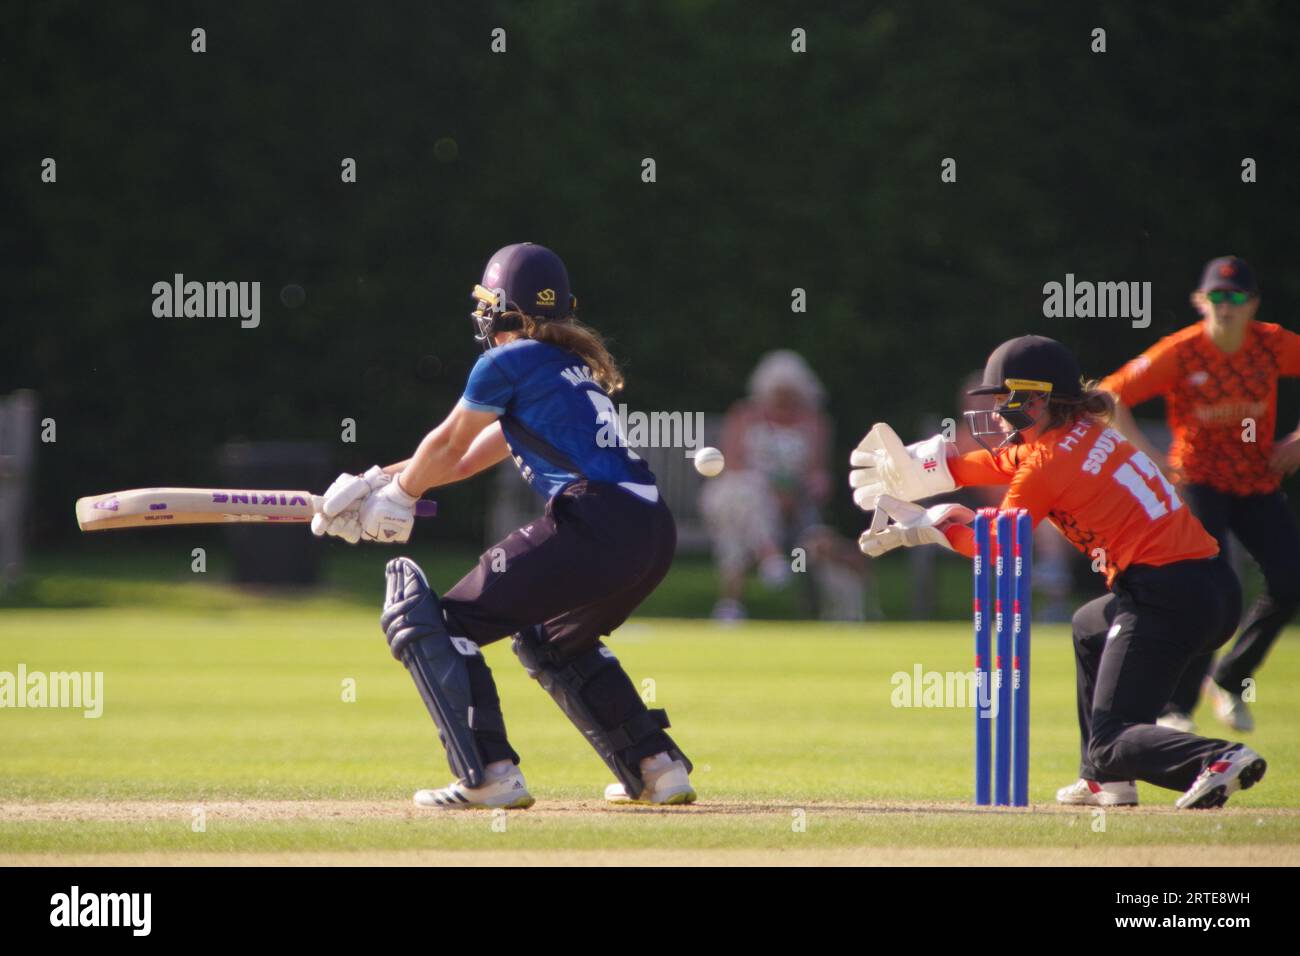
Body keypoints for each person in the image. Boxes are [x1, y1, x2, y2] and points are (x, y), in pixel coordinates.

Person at [311, 242, 695, 809]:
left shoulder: (506, 361)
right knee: (555, 639)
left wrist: (400, 495)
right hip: (648, 528)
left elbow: (448, 442)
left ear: (503, 311)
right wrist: (373, 482)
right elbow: (461, 460)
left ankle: (490, 775)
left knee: (440, 625)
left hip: (595, 517)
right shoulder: (561, 367)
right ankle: (657, 768)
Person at [851, 334, 1267, 808]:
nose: (1001, 412)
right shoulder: (1078, 432)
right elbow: (986, 464)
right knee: (1090, 625)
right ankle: (1106, 780)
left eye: (1010, 399)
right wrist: (920, 468)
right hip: (1205, 587)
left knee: (1112, 738)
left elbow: (995, 545)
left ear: (1042, 398)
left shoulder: (1048, 462)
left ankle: (1216, 758)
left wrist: (926, 529)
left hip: (1167, 597)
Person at [1102, 256, 1300, 734]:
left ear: (1252, 304)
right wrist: (1150, 459)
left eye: (1235, 298)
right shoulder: (1183, 351)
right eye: (1216, 297)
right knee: (1208, 588)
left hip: (1256, 481)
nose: (1225, 307)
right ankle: (1177, 708)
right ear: (1200, 301)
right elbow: (1110, 396)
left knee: (1291, 580)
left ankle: (1230, 679)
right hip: (1199, 481)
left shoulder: (1272, 344)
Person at [700, 350, 836, 620]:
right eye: (777, 393)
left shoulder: (814, 422)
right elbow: (732, 462)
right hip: (734, 493)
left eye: (789, 394)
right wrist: (768, 487)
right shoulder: (744, 414)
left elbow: (817, 472)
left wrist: (800, 490)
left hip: (781, 505)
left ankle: (730, 606)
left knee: (737, 518)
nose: (782, 401)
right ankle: (769, 553)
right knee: (746, 489)